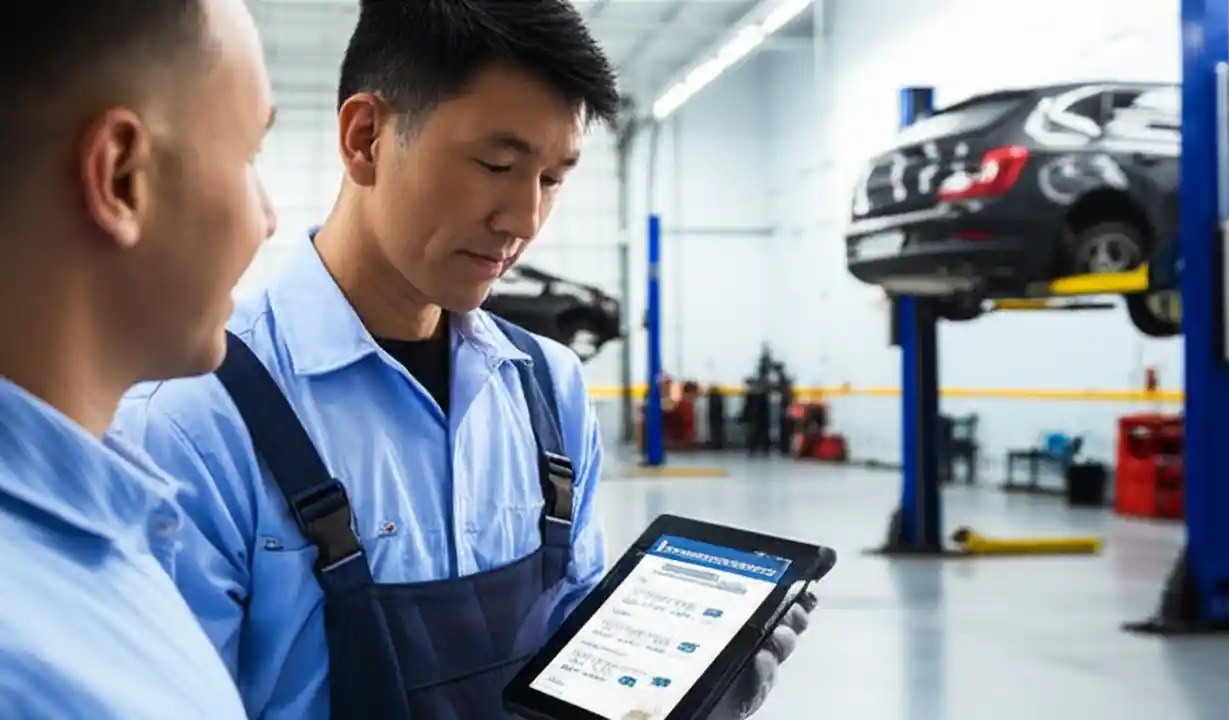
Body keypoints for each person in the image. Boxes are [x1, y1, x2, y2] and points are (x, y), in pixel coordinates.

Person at [110, 1, 814, 718]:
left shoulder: (549, 391)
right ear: (365, 138)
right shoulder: (192, 417)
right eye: (496, 164)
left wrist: (680, 702)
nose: (524, 219)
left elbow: (574, 669)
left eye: (551, 178)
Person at [0, 1, 276, 717]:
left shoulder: (99, 529)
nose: (268, 218)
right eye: (250, 157)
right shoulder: (37, 668)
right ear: (122, 176)